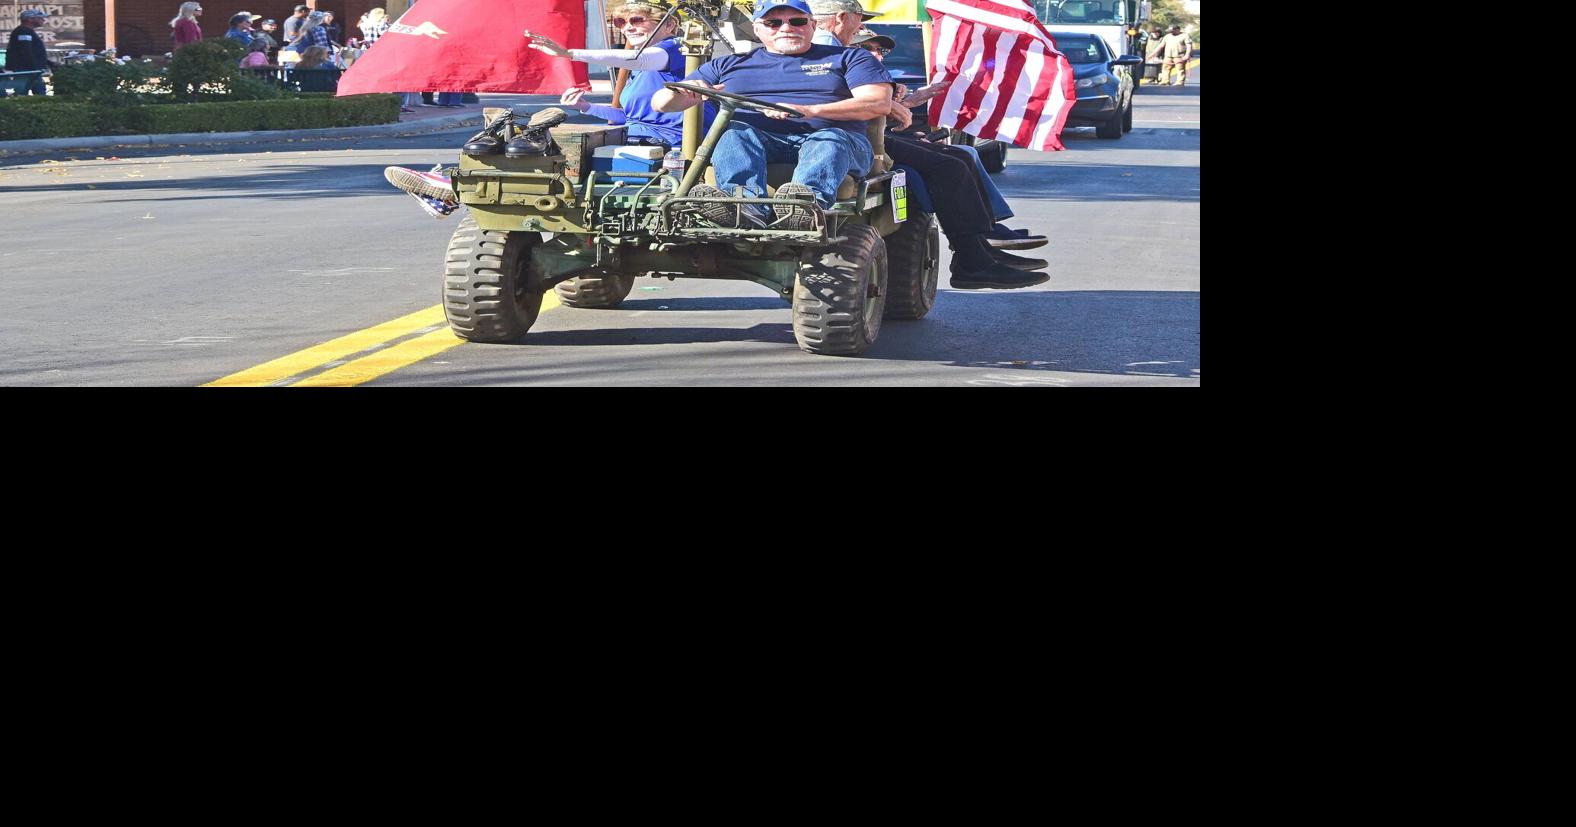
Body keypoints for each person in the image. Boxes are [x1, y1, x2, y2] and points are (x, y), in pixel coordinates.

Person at [801, 8, 1046, 287]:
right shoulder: (826, 46)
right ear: (842, 17)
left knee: (958, 157)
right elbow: (836, 98)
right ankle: (973, 256)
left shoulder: (827, 47)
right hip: (846, 138)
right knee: (951, 164)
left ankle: (979, 246)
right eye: (860, 20)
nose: (860, 28)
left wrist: (895, 101)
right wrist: (890, 103)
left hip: (856, 134)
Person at [651, 0, 891, 231]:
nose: (786, 28)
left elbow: (878, 103)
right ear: (757, 29)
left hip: (838, 142)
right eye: (773, 23)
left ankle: (804, 206)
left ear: (813, 25)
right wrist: (681, 91)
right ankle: (745, 207)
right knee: (734, 133)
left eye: (797, 21)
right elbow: (660, 104)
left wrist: (812, 111)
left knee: (828, 139)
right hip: (760, 142)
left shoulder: (848, 58)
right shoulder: (728, 65)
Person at [846, 23, 1047, 253]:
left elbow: (879, 119)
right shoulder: (848, 69)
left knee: (964, 153)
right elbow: (861, 115)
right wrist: (898, 106)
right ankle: (973, 243)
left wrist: (904, 105)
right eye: (867, 48)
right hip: (862, 147)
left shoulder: (871, 73)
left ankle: (988, 228)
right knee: (953, 162)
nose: (876, 55)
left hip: (880, 140)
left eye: (880, 50)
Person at [524, 1, 710, 149]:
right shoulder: (637, 63)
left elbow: (640, 59)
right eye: (621, 22)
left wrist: (570, 54)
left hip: (669, 144)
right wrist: (587, 107)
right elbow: (629, 117)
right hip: (636, 135)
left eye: (637, 20)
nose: (627, 28)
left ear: (669, 24)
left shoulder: (678, 47)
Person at [5, 9, 55, 95]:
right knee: (31, 92)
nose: (43, 20)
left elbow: (30, 51)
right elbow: (25, 50)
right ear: (30, 19)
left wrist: (49, 63)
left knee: (30, 91)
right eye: (39, 18)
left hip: (29, 69)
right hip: (27, 69)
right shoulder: (24, 31)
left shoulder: (26, 31)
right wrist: (34, 68)